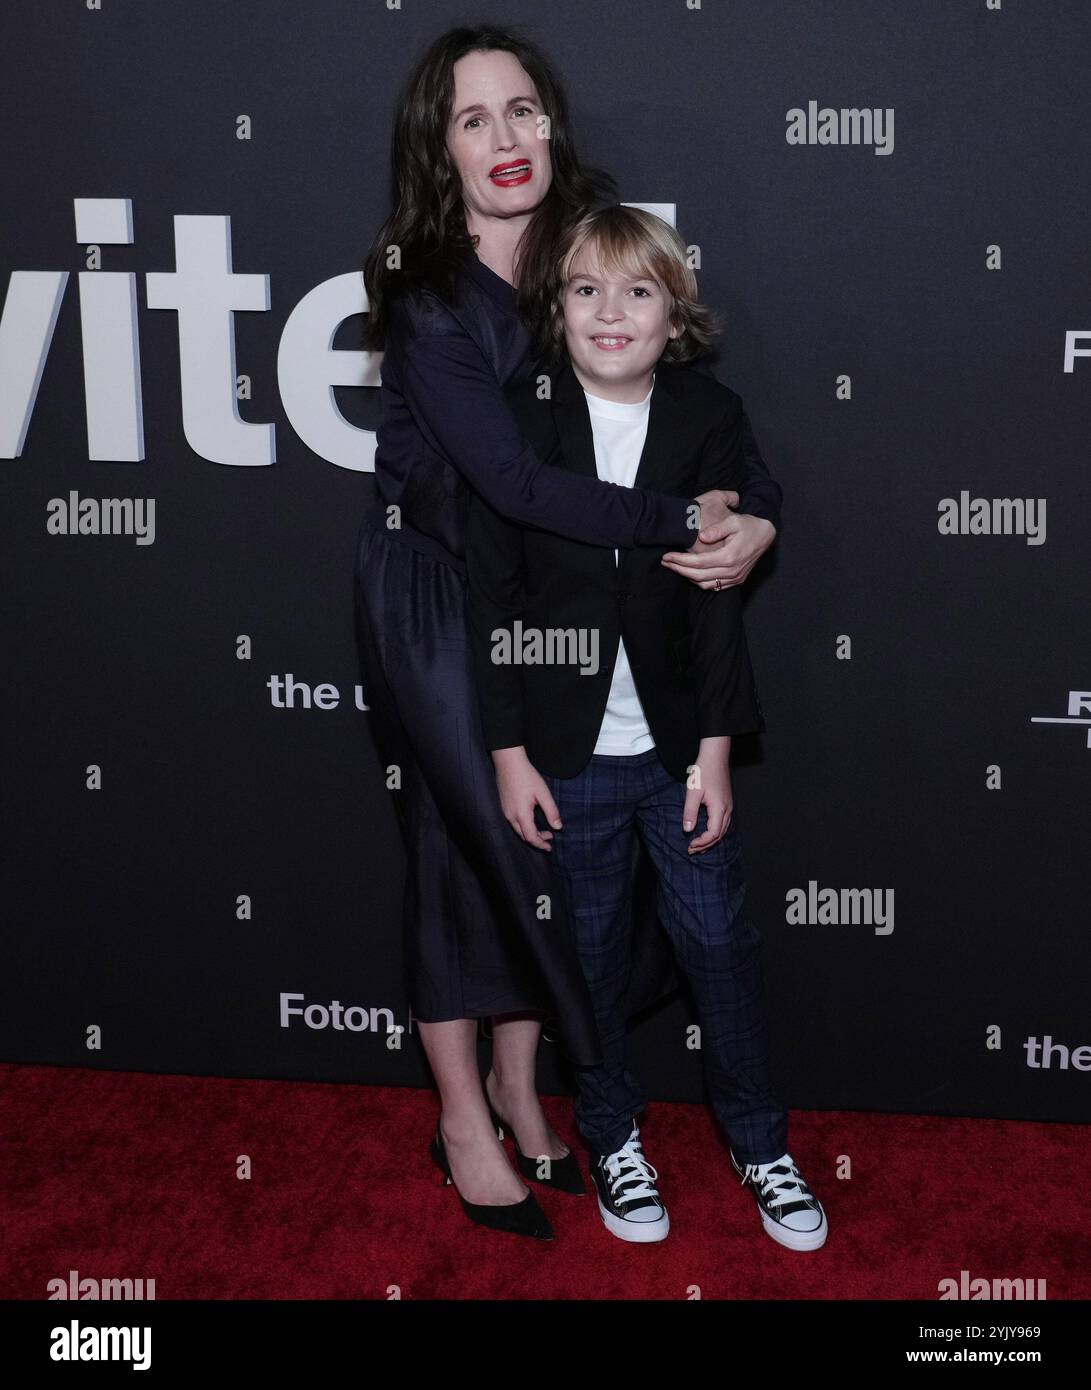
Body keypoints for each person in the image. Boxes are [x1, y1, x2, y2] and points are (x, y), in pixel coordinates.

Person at [355, 24, 781, 1240]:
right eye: (472, 118)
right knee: (466, 850)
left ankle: (518, 1086)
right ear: (437, 147)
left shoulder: (585, 240)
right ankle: (461, 1120)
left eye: (522, 109)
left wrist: (755, 517)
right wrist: (681, 520)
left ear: (551, 122)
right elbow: (512, 483)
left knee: (541, 859)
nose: (505, 137)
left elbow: (697, 413)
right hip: (441, 590)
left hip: (562, 593)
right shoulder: (428, 293)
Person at [465, 204, 827, 1251]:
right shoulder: (519, 417)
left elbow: (716, 604)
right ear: (556, 307)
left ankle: (759, 1146)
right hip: (563, 757)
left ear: (675, 315)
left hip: (676, 754)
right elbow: (492, 600)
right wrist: (508, 754)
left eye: (636, 291)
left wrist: (714, 754)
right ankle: (612, 1132)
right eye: (585, 289)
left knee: (718, 948)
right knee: (586, 959)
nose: (609, 311)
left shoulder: (708, 414)